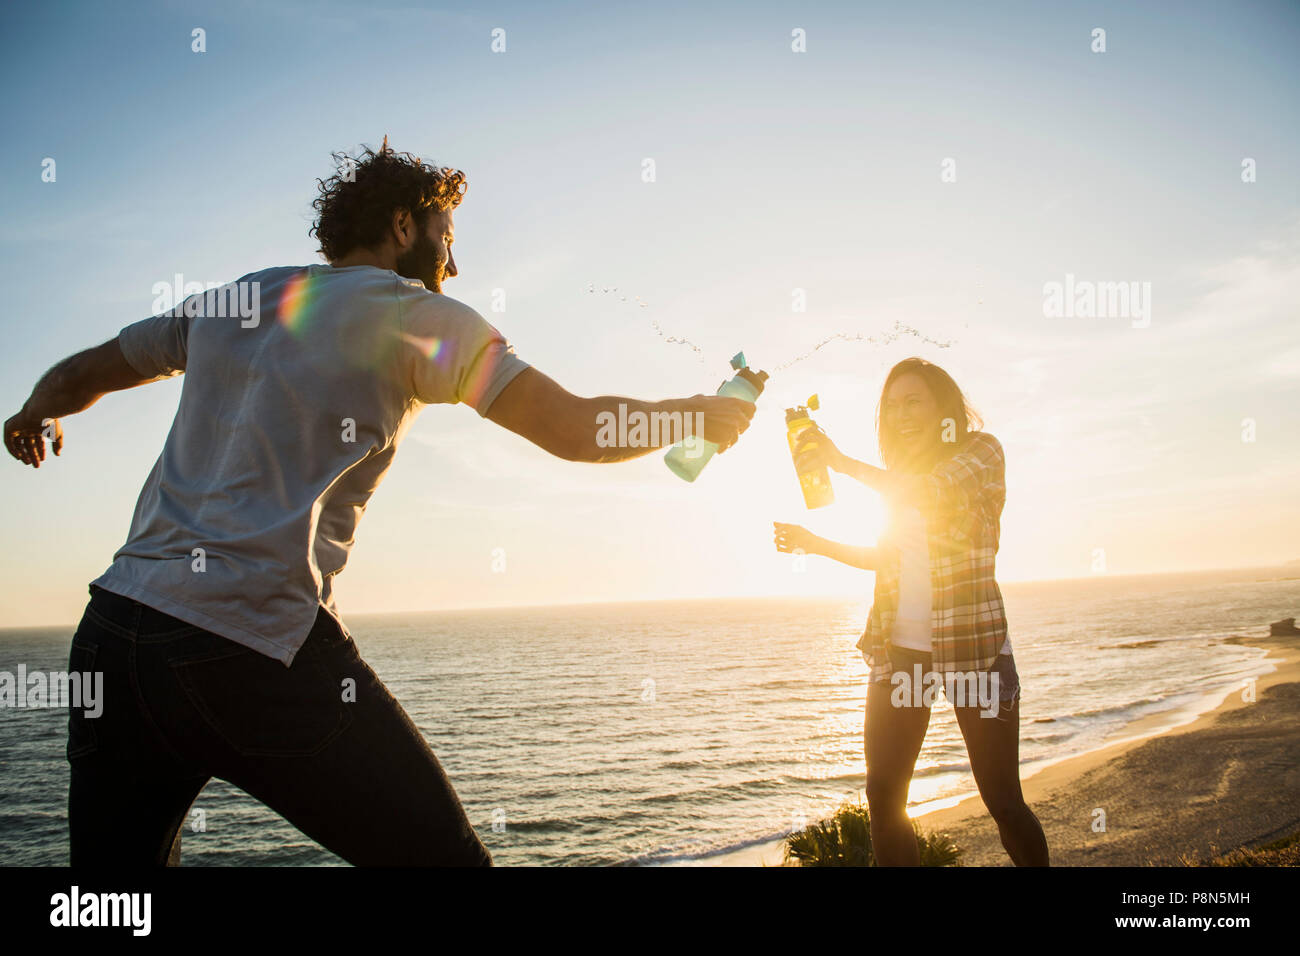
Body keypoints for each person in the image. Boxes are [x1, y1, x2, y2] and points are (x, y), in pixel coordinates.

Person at [3, 139, 755, 866]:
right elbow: (575, 429)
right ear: (404, 226)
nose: (454, 264)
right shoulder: (420, 319)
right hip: (254, 641)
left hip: (117, 630)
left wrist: (36, 410)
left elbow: (88, 369)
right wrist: (691, 415)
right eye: (446, 236)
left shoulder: (242, 296)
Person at [773, 357, 1048, 866]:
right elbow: (888, 559)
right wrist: (815, 543)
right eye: (892, 404)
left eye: (914, 400)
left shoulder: (980, 452)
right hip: (901, 653)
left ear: (944, 406)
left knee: (1003, 802)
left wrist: (841, 462)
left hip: (976, 650)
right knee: (883, 797)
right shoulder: (896, 477)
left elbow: (932, 492)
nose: (901, 412)